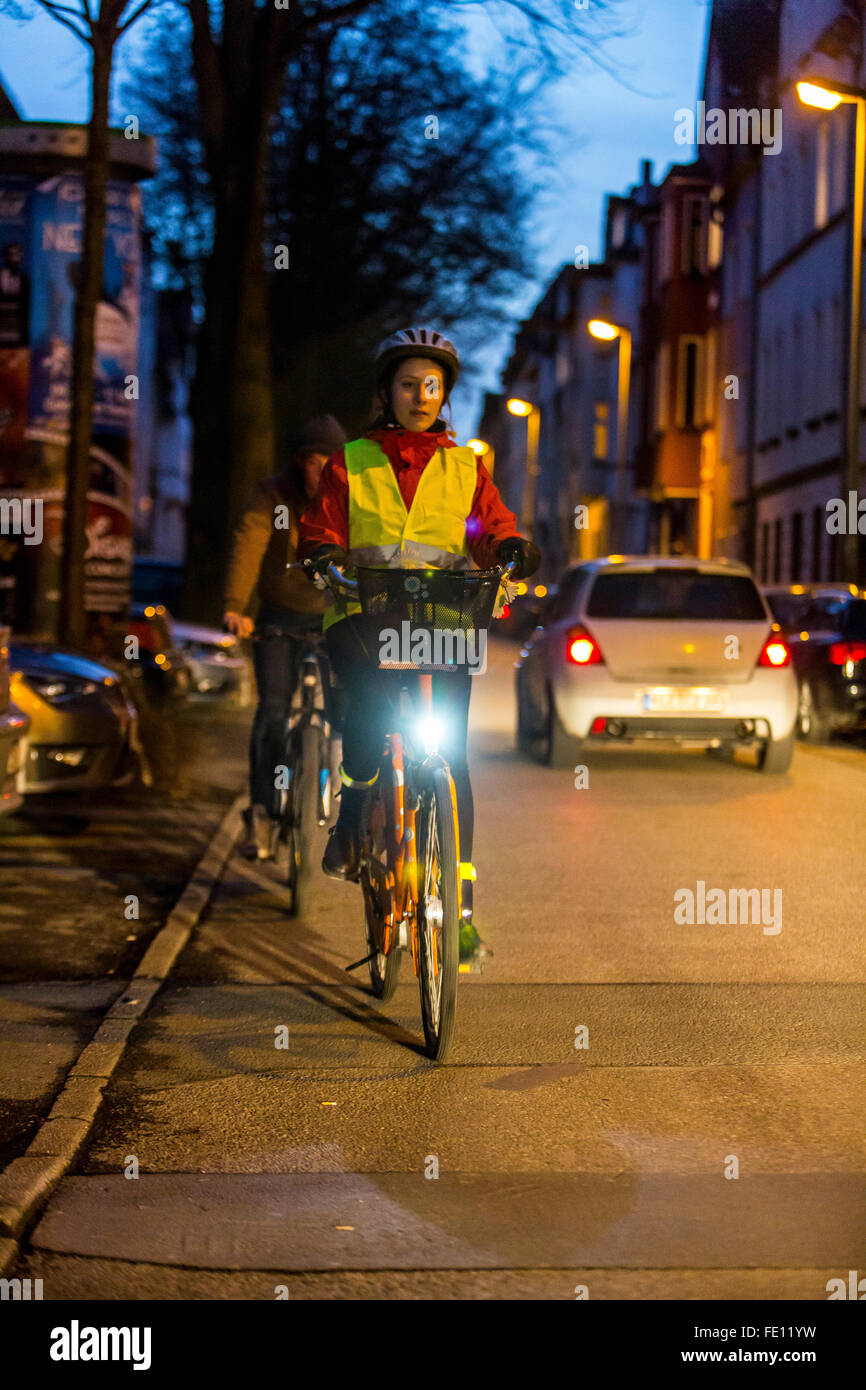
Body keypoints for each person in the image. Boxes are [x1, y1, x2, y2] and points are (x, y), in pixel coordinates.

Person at [299, 328, 539, 963]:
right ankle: (352, 821)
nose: (421, 395)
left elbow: (487, 525)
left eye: (432, 386)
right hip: (362, 614)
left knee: (451, 758)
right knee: (371, 714)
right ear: (387, 392)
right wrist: (322, 553)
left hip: (439, 618)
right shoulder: (352, 460)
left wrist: (508, 547)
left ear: (444, 395)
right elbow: (323, 524)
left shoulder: (466, 465)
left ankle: (459, 912)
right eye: (409, 384)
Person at [224, 414, 347, 859]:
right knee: (274, 709)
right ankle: (260, 809)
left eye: (327, 463)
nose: (319, 472)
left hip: (335, 616)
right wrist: (236, 606)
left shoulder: (352, 497)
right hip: (280, 615)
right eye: (311, 463)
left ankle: (347, 799)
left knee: (347, 710)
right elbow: (249, 541)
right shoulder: (272, 495)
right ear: (298, 464)